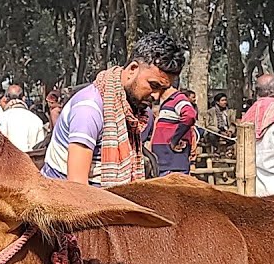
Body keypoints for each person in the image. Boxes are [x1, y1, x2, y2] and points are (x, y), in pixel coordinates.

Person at [41, 32, 184, 186]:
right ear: (132, 69)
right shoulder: (89, 109)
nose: (156, 96)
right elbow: (77, 187)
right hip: (64, 197)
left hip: (107, 196)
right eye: (153, 85)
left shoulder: (139, 112)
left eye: (163, 89)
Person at [144, 83, 197, 175]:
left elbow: (190, 115)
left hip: (173, 163)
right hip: (164, 162)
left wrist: (174, 140)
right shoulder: (166, 103)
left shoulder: (178, 99)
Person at [0, 82, 47, 152]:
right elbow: (40, 149)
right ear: (23, 98)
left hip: (8, 160)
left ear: (6, 99)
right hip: (30, 160)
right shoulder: (36, 119)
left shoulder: (1, 118)